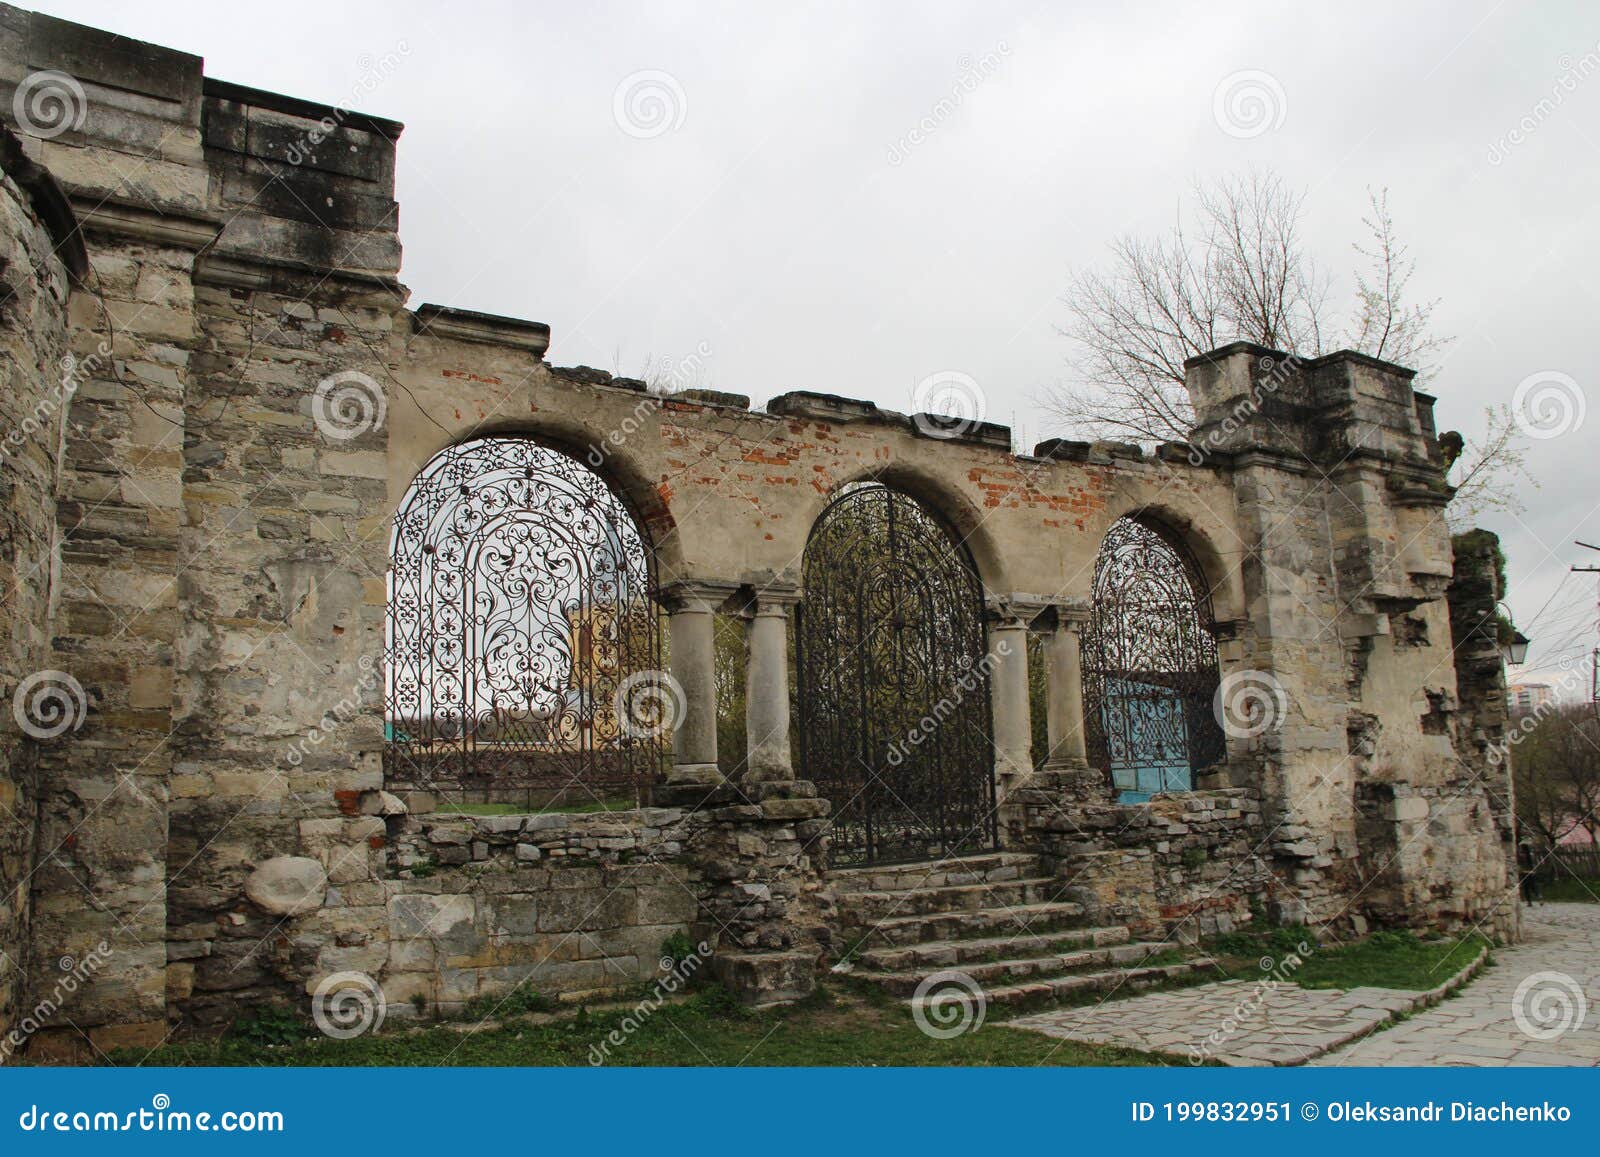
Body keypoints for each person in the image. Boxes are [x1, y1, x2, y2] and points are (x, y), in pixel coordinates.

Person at [1518, 839, 1543, 906]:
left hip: (1524, 873)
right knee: (1534, 886)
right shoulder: (1532, 855)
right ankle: (1539, 896)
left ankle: (1529, 902)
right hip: (1532, 873)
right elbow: (1535, 863)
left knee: (1526, 888)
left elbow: (1520, 865)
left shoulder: (1521, 856)